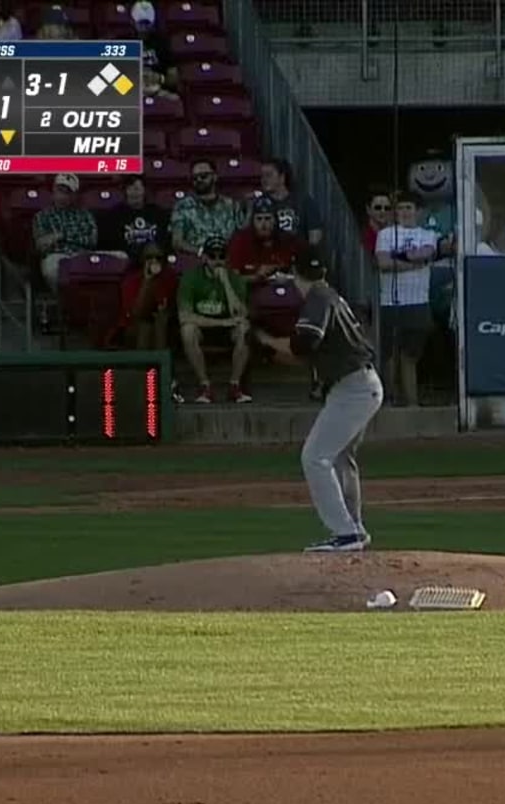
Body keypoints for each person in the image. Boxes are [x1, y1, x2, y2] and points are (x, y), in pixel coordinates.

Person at [258, 250, 383, 553]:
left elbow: (303, 344)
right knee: (341, 458)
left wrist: (264, 340)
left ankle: (345, 533)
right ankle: (354, 529)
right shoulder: (330, 295)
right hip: (361, 384)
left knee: (314, 457)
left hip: (352, 388)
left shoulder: (317, 298)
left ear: (295, 275)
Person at [374, 190, 438, 407]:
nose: (404, 212)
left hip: (418, 301)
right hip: (390, 302)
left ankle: (412, 403)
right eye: (400, 208)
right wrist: (412, 264)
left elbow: (426, 253)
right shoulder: (385, 234)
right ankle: (390, 400)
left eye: (408, 208)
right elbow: (383, 263)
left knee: (410, 356)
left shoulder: (428, 234)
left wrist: (398, 259)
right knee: (390, 356)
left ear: (418, 211)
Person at [177, 236, 253, 404]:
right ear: (204, 258)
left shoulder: (234, 278)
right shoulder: (191, 278)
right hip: (203, 328)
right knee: (187, 330)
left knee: (244, 328)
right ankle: (205, 386)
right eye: (212, 257)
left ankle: (235, 386)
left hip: (227, 330)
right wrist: (222, 322)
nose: (217, 261)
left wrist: (225, 282)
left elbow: (240, 313)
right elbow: (185, 316)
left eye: (221, 257)